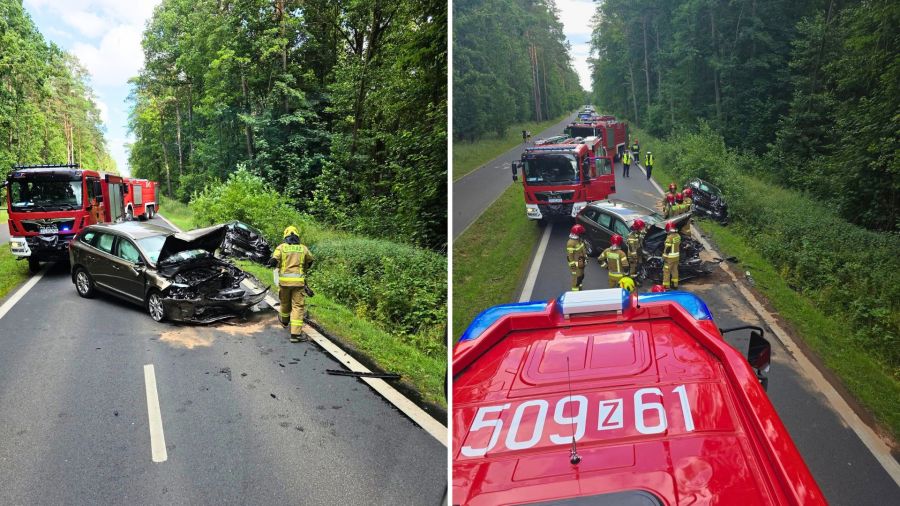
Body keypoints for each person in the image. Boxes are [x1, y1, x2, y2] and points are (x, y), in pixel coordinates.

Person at [268, 225, 315, 342]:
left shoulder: (281, 247)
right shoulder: (303, 248)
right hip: (298, 284)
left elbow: (274, 260)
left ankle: (284, 321)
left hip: (284, 283)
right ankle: (295, 335)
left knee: (284, 303)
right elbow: (310, 260)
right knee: (298, 307)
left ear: (286, 236)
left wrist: (272, 262)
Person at [566, 224, 587, 291]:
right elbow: (570, 255)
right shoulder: (571, 243)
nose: (582, 234)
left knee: (581, 277)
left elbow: (582, 250)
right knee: (576, 280)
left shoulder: (578, 240)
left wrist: (585, 258)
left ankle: (580, 289)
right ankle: (575, 293)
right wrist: (572, 265)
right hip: (576, 265)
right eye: (580, 233)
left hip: (581, 263)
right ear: (577, 233)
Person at [662, 221, 681, 289]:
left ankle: (666, 286)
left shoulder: (669, 238)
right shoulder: (678, 236)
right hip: (676, 257)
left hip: (669, 258)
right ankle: (675, 285)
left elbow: (667, 248)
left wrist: (663, 257)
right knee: (675, 270)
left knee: (666, 272)